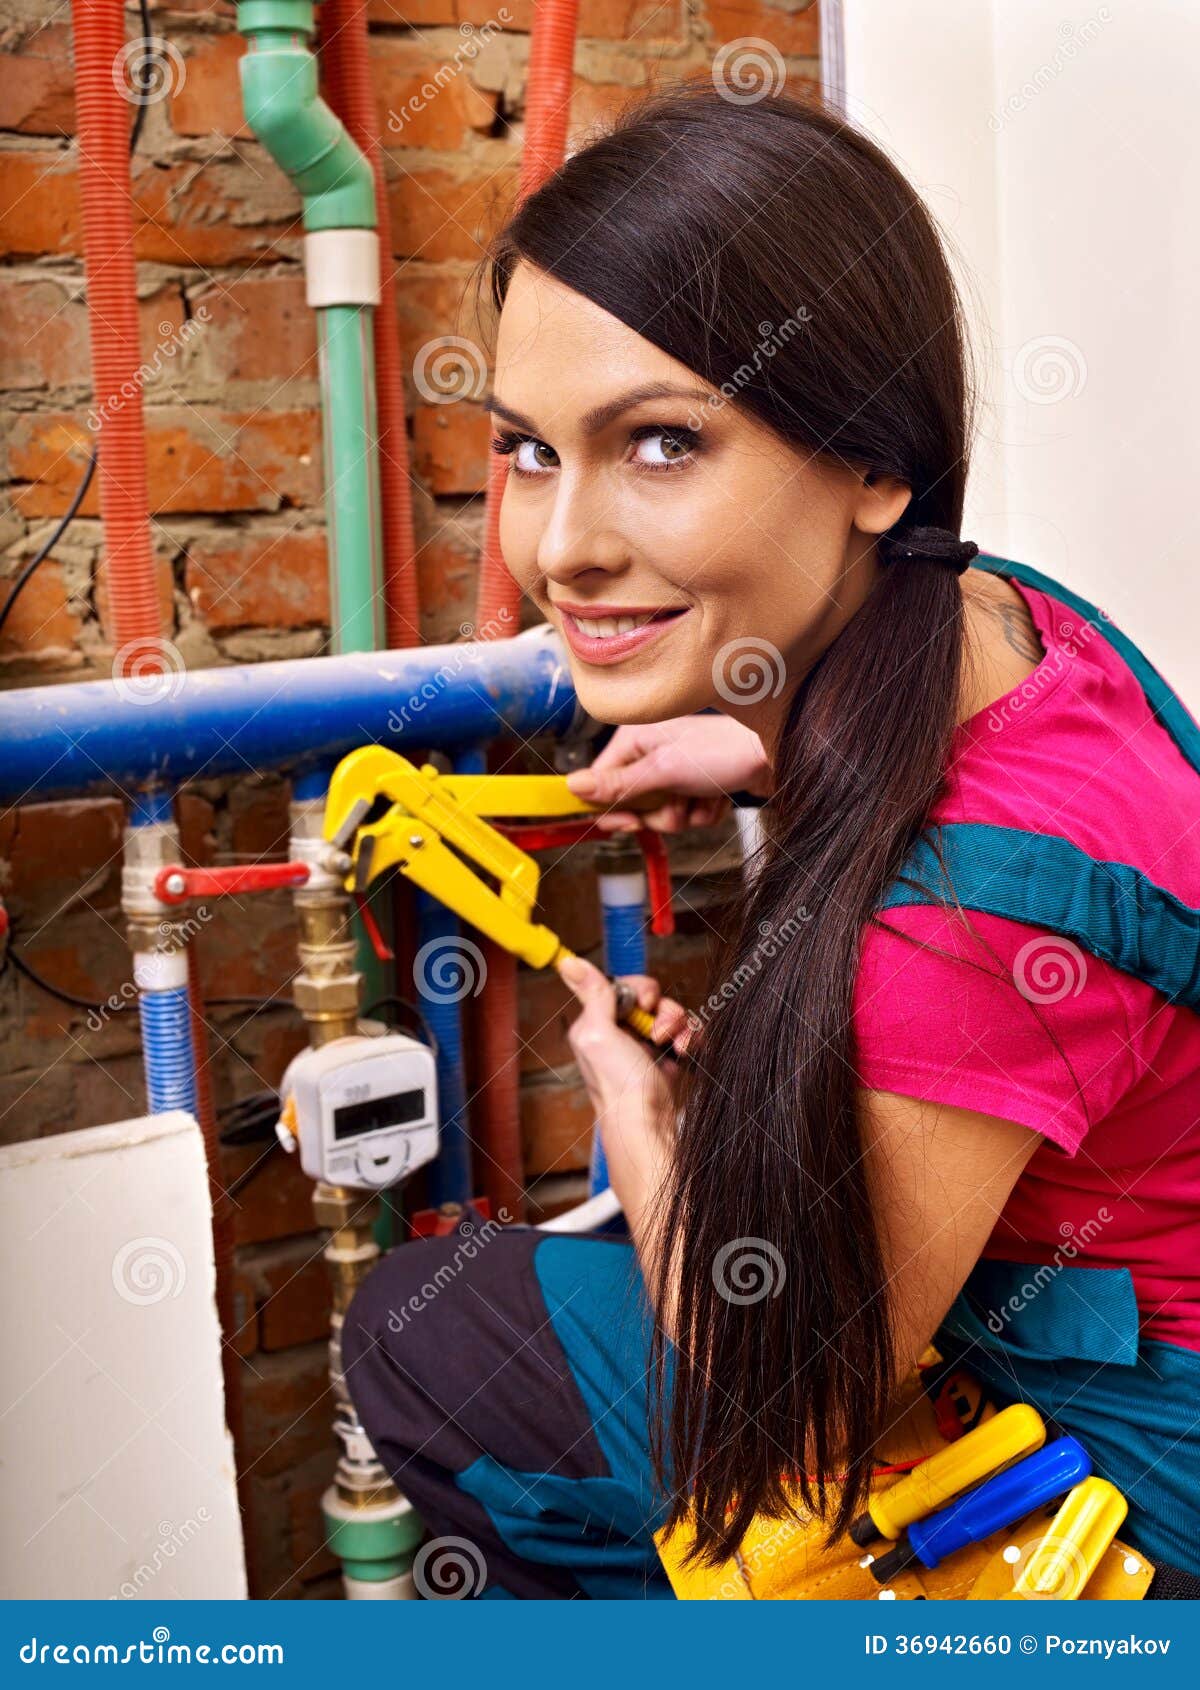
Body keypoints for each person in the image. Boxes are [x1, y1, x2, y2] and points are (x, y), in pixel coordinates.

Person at [341, 81, 1200, 1599]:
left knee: (423, 1321)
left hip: (1130, 1465)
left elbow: (795, 1405)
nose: (559, 545)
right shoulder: (1005, 613)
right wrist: (754, 737)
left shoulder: (974, 926)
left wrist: (640, 1120)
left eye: (663, 442)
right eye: (531, 449)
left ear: (878, 467)